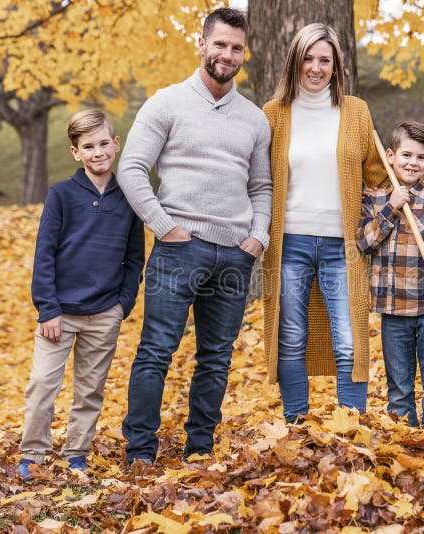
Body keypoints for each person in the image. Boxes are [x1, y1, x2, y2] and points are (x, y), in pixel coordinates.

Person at [117, 8, 272, 464]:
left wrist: (257, 237)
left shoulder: (253, 119)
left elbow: (261, 185)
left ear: (245, 53)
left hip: (234, 255)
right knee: (156, 352)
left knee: (216, 358)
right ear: (201, 43)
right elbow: (131, 168)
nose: (227, 54)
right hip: (178, 250)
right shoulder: (166, 103)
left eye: (236, 48)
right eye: (220, 44)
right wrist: (165, 227)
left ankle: (199, 450)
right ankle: (140, 451)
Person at [261, 23, 388, 423]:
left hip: (343, 245)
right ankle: (296, 425)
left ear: (336, 67)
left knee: (349, 340)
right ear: (294, 62)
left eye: (324, 60)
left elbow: (378, 177)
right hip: (289, 242)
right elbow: (257, 178)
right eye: (308, 59)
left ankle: (352, 429)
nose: (315, 68)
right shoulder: (273, 115)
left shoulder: (356, 112)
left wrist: (402, 200)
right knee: (292, 337)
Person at [17, 109, 145, 480]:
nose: (98, 152)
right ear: (76, 153)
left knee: (90, 391)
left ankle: (77, 453)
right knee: (43, 385)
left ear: (116, 144)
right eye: (88, 146)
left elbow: (134, 257)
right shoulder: (62, 195)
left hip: (104, 312)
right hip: (60, 313)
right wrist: (48, 309)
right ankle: (33, 453)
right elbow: (44, 255)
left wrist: (123, 304)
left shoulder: (129, 197)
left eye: (104, 143)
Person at [356, 121, 424, 438]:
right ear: (390, 156)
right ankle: (405, 445)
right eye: (406, 155)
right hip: (393, 309)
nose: (412, 163)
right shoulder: (373, 199)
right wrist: (391, 207)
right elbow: (364, 242)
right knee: (399, 388)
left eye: (420, 157)